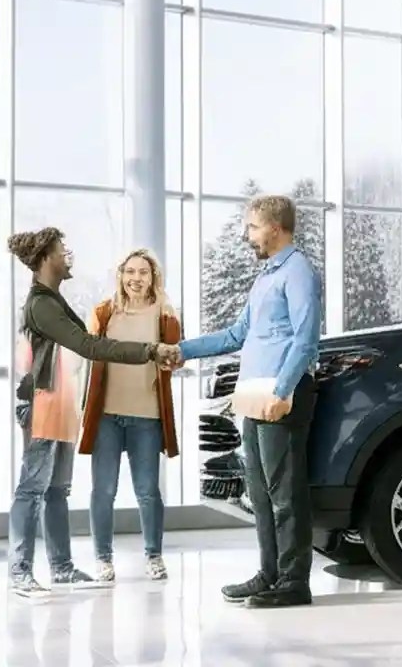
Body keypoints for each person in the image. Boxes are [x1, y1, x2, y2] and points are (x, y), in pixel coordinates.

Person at [161, 194, 322, 608]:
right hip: (253, 396)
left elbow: (305, 340)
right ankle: (270, 574)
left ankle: (294, 582)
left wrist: (282, 391)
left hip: (280, 394)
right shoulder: (265, 276)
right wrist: (183, 349)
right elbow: (237, 335)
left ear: (276, 227)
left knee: (285, 493)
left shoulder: (298, 271)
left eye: (252, 226)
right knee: (261, 492)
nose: (246, 234)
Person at [7, 227, 178, 599]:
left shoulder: (54, 298)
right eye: (61, 250)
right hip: (40, 402)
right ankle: (19, 571)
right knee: (32, 488)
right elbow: (88, 345)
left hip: (62, 404)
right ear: (45, 258)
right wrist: (148, 351)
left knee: (57, 491)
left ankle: (62, 568)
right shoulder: (41, 304)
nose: (68, 254)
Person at [80, 248, 182, 583]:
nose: (135, 279)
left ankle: (154, 556)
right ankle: (102, 558)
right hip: (107, 416)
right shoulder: (104, 313)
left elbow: (173, 360)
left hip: (147, 417)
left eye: (143, 272)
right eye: (130, 272)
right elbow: (87, 357)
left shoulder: (165, 317)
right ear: (120, 275)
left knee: (148, 491)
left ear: (153, 278)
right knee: (103, 490)